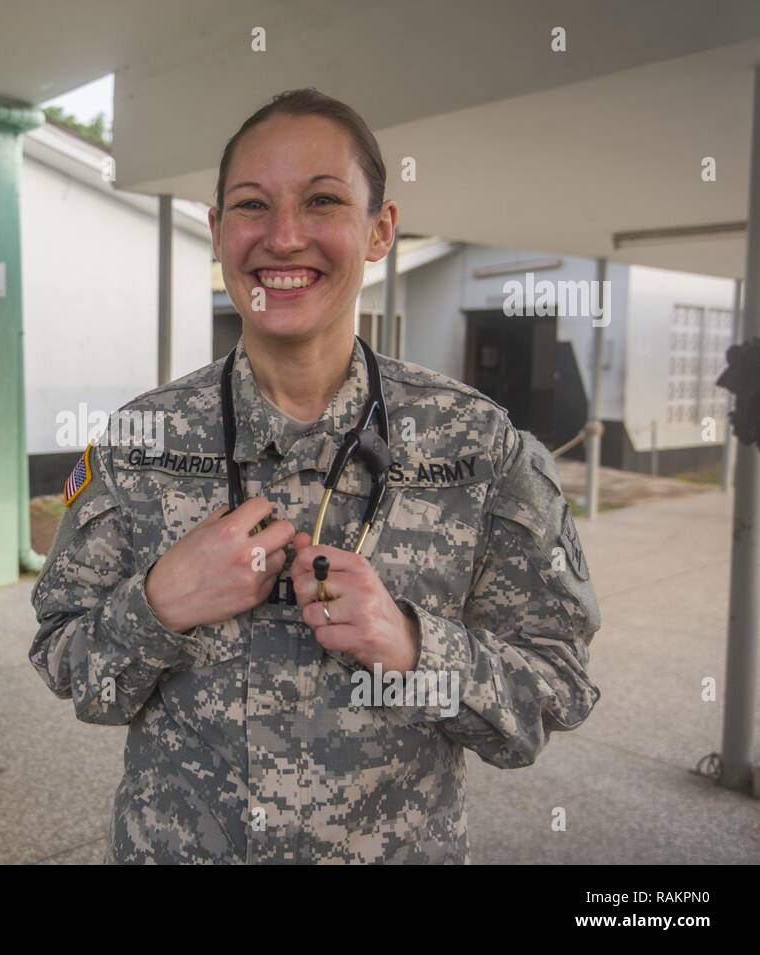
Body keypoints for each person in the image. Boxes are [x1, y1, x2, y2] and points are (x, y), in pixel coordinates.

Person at [29, 88, 601, 864]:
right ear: (218, 231)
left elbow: (552, 689)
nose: (283, 236)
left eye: (323, 200)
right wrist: (159, 603)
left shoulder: (477, 445)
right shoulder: (140, 441)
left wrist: (410, 647)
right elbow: (71, 662)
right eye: (251, 205)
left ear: (380, 230)